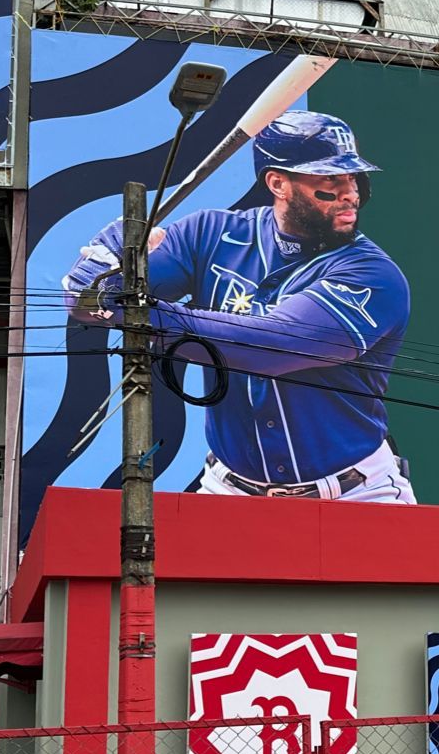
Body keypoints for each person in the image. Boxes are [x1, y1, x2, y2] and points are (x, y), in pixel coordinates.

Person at [63, 110, 416, 503]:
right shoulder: (210, 233)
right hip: (230, 488)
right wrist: (99, 271)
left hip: (355, 494)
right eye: (329, 178)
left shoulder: (374, 274)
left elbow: (269, 347)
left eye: (353, 177)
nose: (349, 191)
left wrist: (129, 310)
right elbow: (92, 302)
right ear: (278, 183)